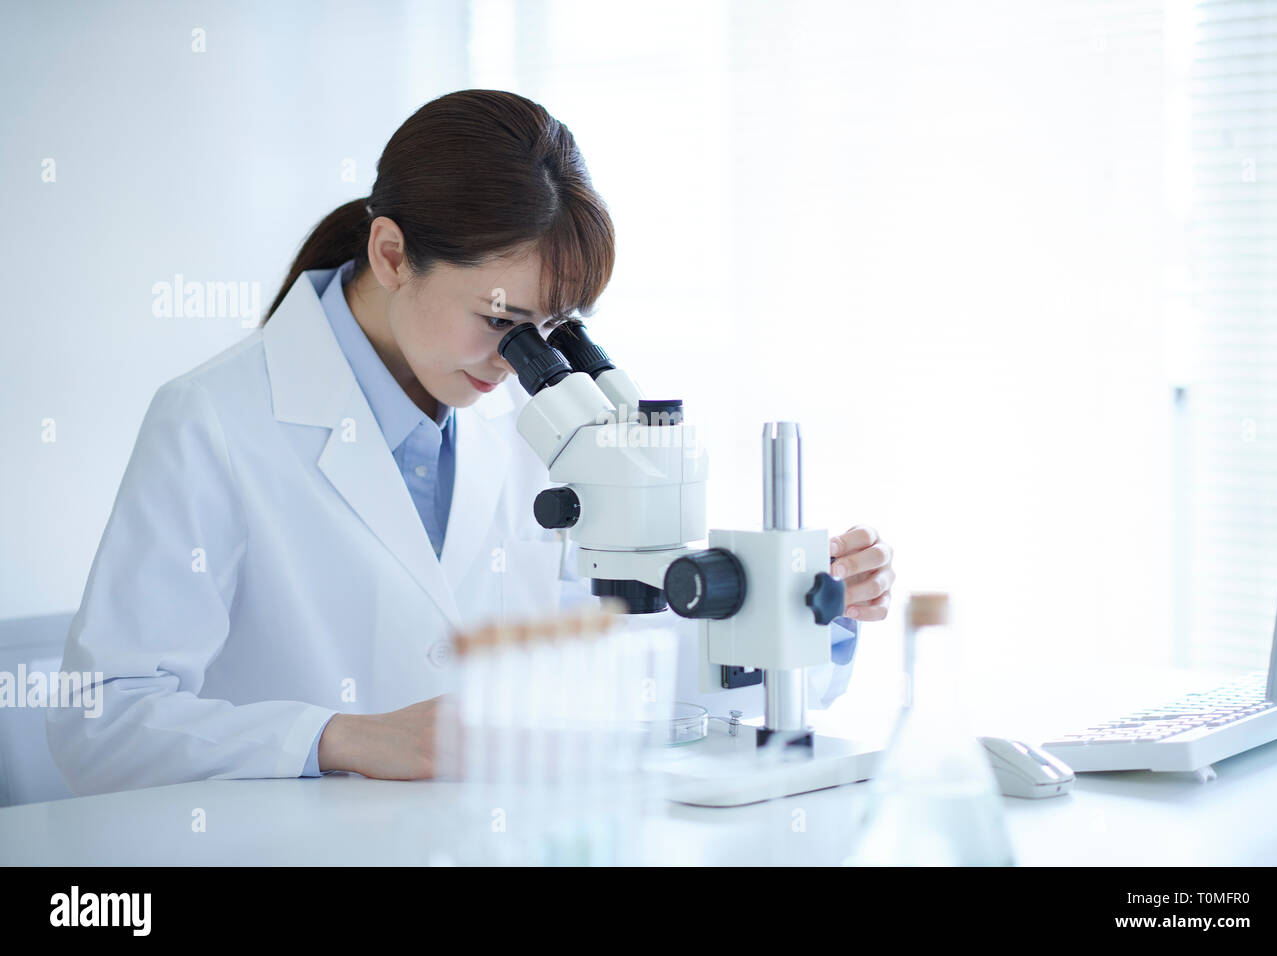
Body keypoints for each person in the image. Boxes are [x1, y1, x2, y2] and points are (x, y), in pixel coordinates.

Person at [47, 90, 895, 796]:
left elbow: (606, 663)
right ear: (390, 253)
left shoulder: (527, 427)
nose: (517, 361)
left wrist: (792, 614)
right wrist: (343, 738)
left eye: (547, 331)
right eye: (500, 321)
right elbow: (100, 724)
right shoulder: (212, 420)